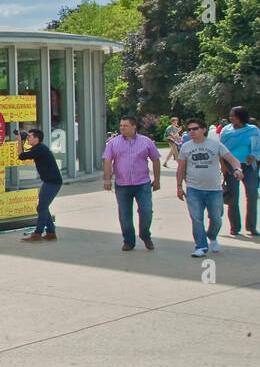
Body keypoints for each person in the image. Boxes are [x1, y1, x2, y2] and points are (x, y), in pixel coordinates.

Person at [177, 118, 244, 257]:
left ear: (203, 129)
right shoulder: (186, 147)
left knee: (216, 218)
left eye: (195, 129)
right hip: (194, 189)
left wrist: (237, 169)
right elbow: (181, 168)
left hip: (214, 189)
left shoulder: (215, 145)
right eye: (189, 129)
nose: (192, 132)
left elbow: (232, 159)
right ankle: (201, 246)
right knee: (196, 219)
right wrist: (179, 186)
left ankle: (212, 235)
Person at [102, 115, 162, 251]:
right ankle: (128, 241)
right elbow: (107, 160)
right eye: (121, 126)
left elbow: (156, 159)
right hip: (122, 185)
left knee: (146, 211)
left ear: (134, 126)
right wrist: (107, 179)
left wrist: (157, 180)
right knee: (124, 214)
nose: (122, 128)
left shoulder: (145, 141)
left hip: (142, 184)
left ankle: (145, 234)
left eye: (125, 126)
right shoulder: (113, 143)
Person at [220, 106, 260, 236]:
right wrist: (223, 166)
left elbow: (257, 147)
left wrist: (253, 155)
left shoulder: (253, 130)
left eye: (234, 116)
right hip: (231, 166)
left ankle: (251, 227)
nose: (231, 118)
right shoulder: (226, 131)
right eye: (230, 115)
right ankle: (235, 227)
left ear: (241, 117)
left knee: (252, 195)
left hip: (248, 166)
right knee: (233, 197)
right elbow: (221, 149)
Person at [17, 128, 63, 241]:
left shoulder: (40, 149)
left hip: (53, 182)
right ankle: (51, 233)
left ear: (36, 138)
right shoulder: (38, 148)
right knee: (42, 207)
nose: (27, 138)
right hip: (49, 181)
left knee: (41, 207)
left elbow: (21, 156)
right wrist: (21, 141)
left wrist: (19, 141)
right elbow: (23, 155)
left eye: (29, 136)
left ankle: (37, 234)